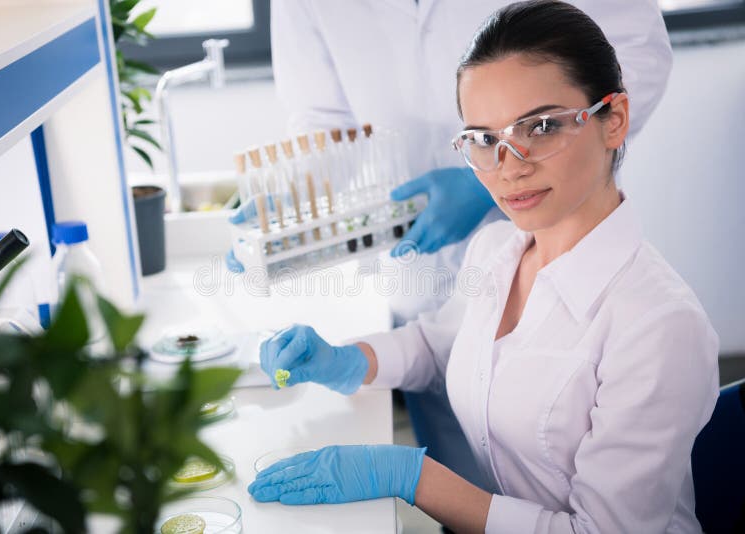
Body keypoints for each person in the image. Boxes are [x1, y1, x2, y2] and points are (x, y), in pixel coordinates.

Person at [248, 2, 719, 532]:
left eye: (541, 126)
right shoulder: (496, 249)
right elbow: (438, 344)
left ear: (615, 120)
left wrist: (414, 478)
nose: (509, 167)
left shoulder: (658, 327)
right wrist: (342, 360)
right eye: (483, 140)